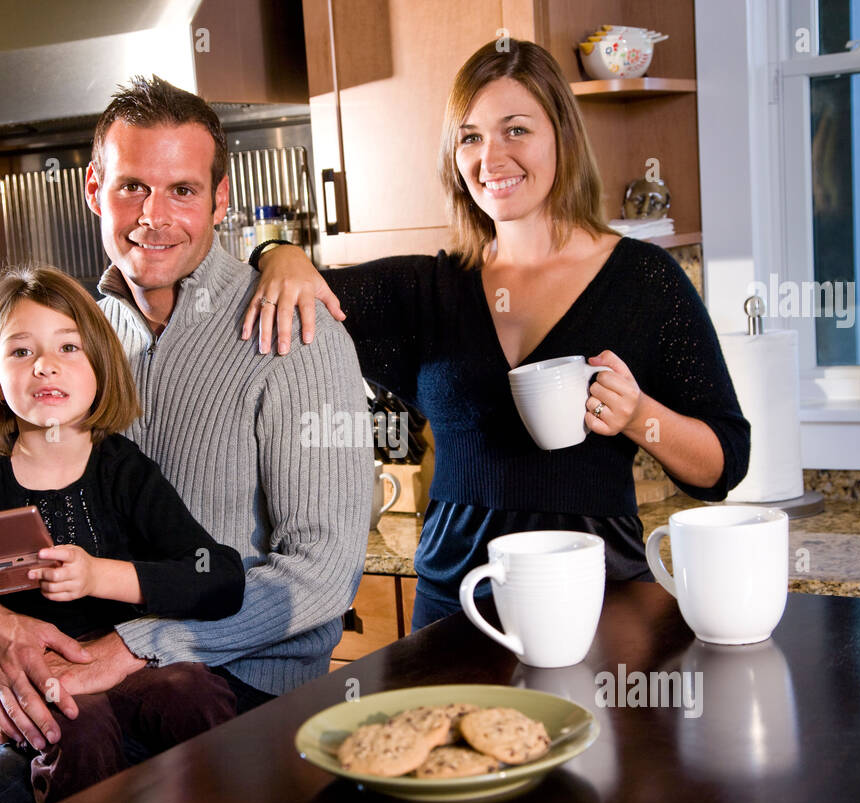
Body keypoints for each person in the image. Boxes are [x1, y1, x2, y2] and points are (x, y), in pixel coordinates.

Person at [0, 76, 371, 803]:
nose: (154, 216)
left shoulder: (292, 331)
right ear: (92, 190)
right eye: (132, 186)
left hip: (237, 695)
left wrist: (138, 645)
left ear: (220, 196)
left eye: (182, 189)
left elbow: (320, 577)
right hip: (79, 694)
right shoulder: (71, 334)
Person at [242, 40, 751, 629]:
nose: (491, 158)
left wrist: (638, 416)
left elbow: (724, 465)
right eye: (471, 136)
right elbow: (298, 290)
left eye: (515, 130)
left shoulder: (644, 280)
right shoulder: (426, 288)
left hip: (600, 601)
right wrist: (276, 251)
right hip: (455, 604)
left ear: (562, 134)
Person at [0, 265, 246, 803]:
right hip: (11, 685)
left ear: (100, 365)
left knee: (193, 691)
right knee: (81, 723)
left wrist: (101, 576)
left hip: (115, 664)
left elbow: (220, 579)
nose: (46, 365)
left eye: (69, 347)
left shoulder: (123, 470)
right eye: (21, 352)